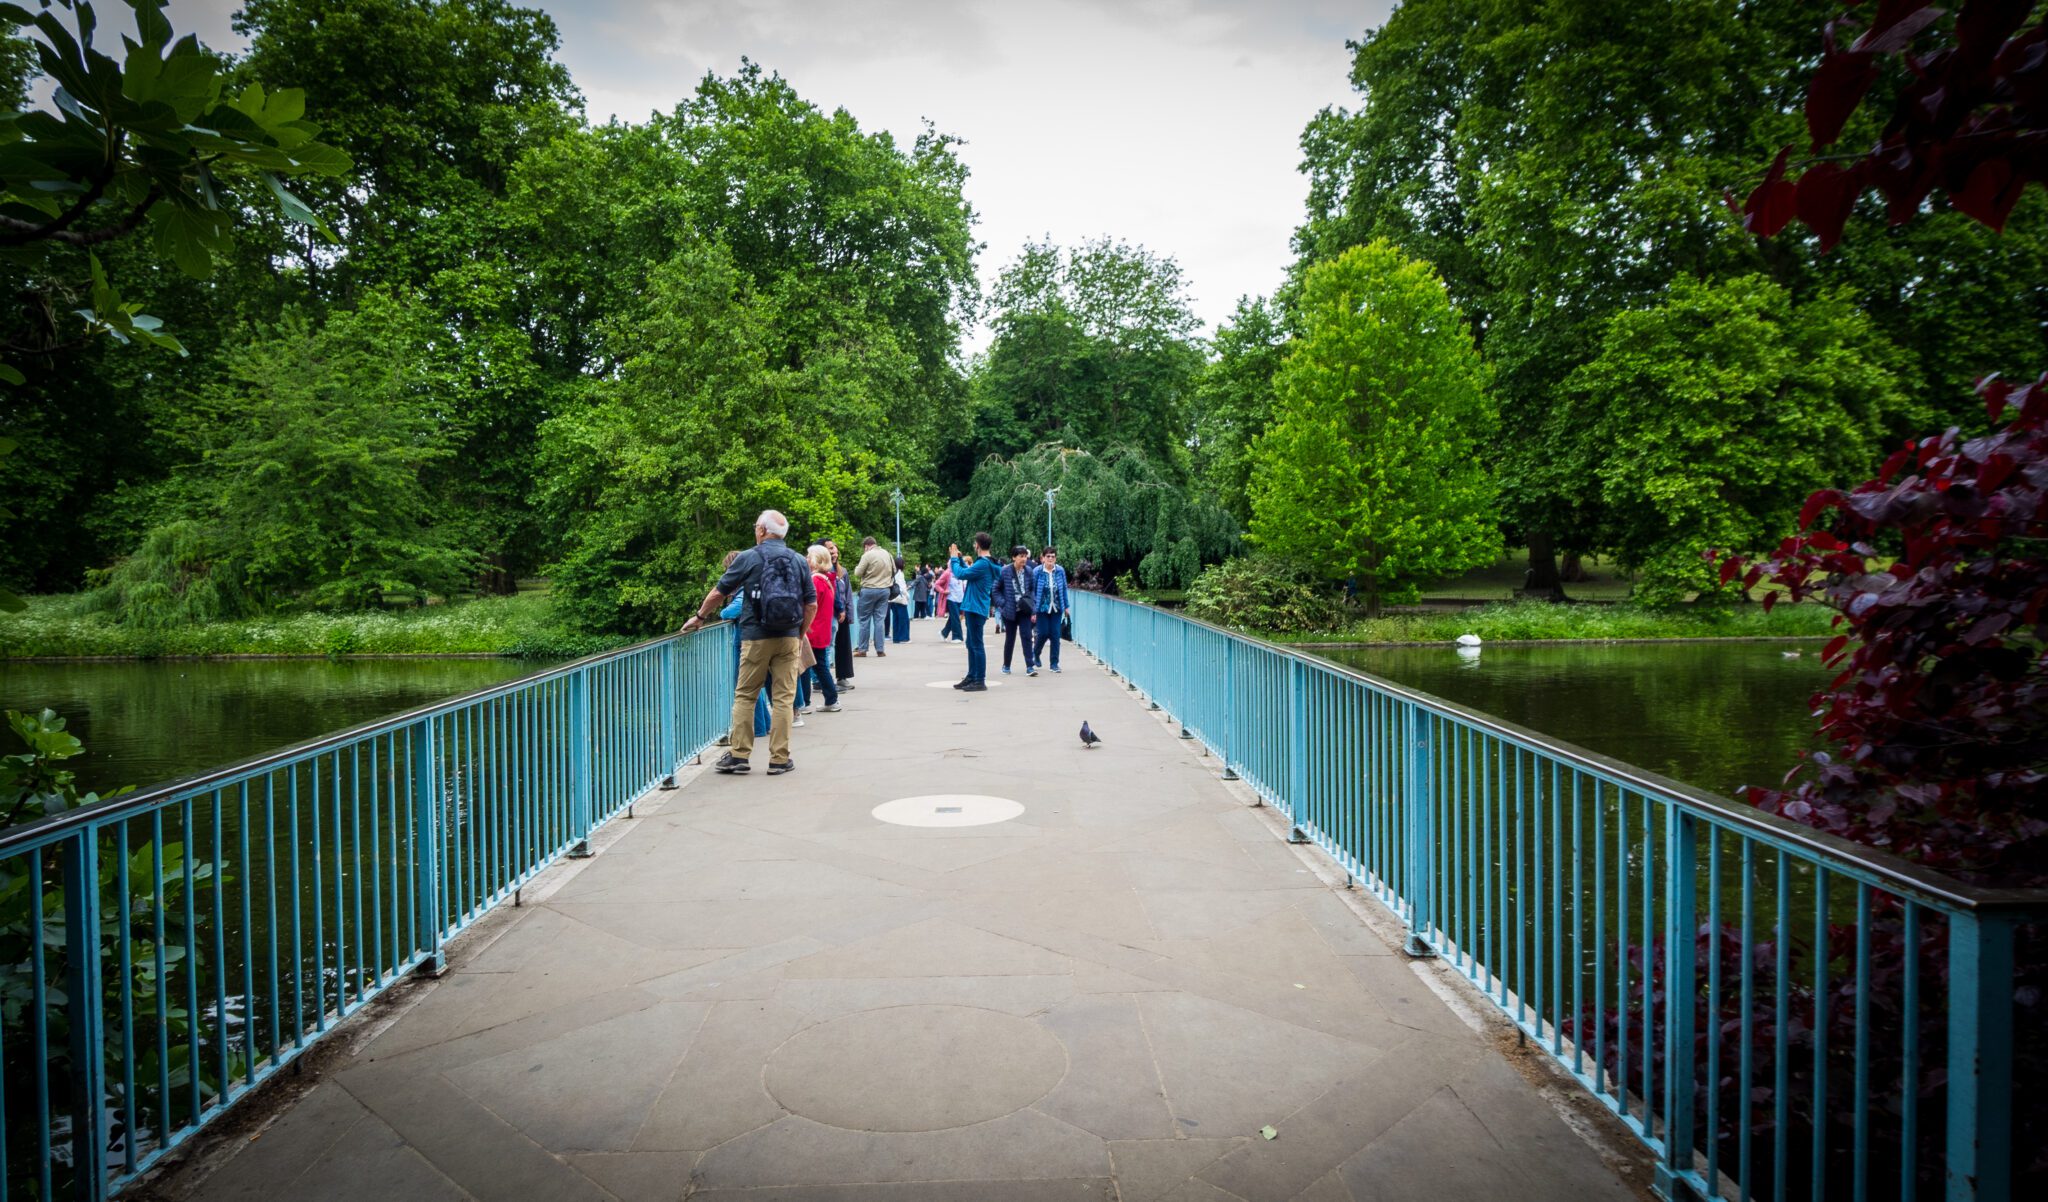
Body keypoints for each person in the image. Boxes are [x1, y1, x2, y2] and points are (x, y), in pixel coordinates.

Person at [681, 510, 815, 775]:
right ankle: (779, 759)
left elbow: (719, 592)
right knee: (783, 699)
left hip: (755, 637)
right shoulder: (799, 560)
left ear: (763, 531)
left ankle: (740, 755)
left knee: (745, 695)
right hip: (788, 636)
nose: (756, 530)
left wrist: (699, 617)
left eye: (756, 527)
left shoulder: (749, 557)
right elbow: (811, 604)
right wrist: (798, 635)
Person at [714, 551, 770, 743]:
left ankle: (758, 729)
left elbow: (733, 610)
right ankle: (765, 725)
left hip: (745, 641)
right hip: (758, 638)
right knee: (755, 687)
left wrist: (722, 611)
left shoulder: (743, 590)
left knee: (745, 688)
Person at [948, 533, 999, 691]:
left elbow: (961, 574)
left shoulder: (983, 564)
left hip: (976, 608)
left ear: (977, 545)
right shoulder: (986, 563)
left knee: (976, 644)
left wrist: (954, 558)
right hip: (975, 607)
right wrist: (961, 559)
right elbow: (969, 573)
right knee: (971, 643)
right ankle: (972, 676)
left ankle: (979, 680)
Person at [801, 544, 841, 712]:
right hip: (821, 629)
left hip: (813, 630)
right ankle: (831, 700)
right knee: (820, 665)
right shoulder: (826, 579)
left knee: (804, 667)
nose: (806, 559)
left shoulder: (815, 580)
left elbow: (809, 604)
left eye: (809, 557)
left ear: (816, 560)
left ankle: (804, 702)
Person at [992, 544, 1037, 675]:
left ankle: (1030, 666)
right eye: (1020, 556)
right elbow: (995, 590)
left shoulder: (1029, 571)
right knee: (1010, 639)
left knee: (1027, 637)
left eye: (1025, 556)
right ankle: (1006, 665)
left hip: (1024, 610)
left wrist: (1032, 603)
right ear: (1013, 557)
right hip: (1009, 610)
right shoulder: (1005, 571)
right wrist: (1003, 604)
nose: (1023, 559)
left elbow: (1033, 589)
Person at [1030, 545, 1070, 675]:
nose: (1050, 559)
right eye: (1048, 556)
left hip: (1056, 608)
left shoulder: (1060, 571)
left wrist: (1066, 607)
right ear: (1043, 558)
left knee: (1055, 635)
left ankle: (1054, 663)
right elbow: (1033, 591)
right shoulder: (1037, 571)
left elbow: (1063, 589)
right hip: (1041, 608)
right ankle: (1035, 653)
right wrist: (1033, 610)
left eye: (1053, 556)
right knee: (1043, 633)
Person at [852, 536, 894, 657]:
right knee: (879, 620)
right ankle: (880, 649)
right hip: (885, 590)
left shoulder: (867, 555)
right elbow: (894, 570)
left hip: (869, 590)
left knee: (864, 620)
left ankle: (863, 649)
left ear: (866, 546)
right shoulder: (888, 554)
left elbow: (857, 573)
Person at [826, 539, 855, 690]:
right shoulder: (821, 570)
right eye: (831, 550)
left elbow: (848, 594)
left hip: (841, 612)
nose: (834, 553)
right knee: (827, 647)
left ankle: (842, 677)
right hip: (829, 612)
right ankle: (823, 680)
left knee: (843, 644)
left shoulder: (842, 571)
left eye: (836, 551)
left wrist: (849, 613)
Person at [939, 560, 965, 641]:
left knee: (954, 618)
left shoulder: (960, 573)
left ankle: (944, 633)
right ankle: (957, 637)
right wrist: (944, 591)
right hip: (951, 598)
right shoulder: (947, 573)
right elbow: (937, 584)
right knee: (956, 618)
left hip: (960, 599)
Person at [889, 556, 911, 643]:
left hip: (892, 599)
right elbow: (902, 588)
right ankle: (904, 637)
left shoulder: (891, 573)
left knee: (896, 619)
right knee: (904, 619)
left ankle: (896, 638)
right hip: (900, 599)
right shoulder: (900, 574)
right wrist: (907, 596)